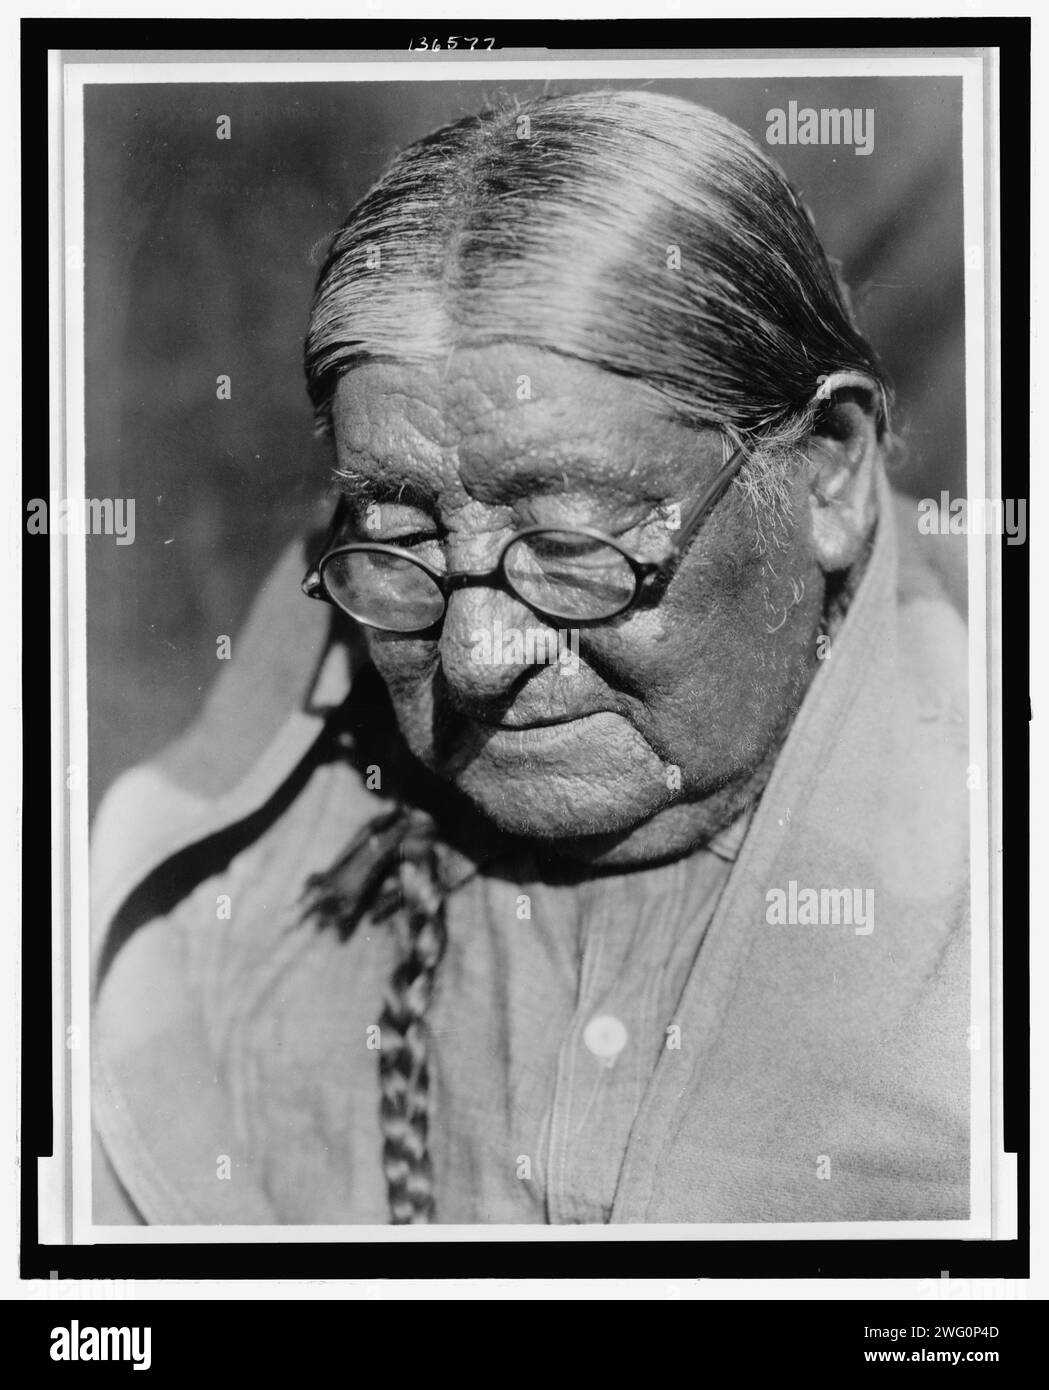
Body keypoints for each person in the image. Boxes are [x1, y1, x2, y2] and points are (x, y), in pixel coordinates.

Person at [91, 89, 970, 1226]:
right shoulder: (210, 889)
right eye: (402, 542)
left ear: (826, 474)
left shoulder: (993, 944)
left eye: (567, 544)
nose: (469, 657)